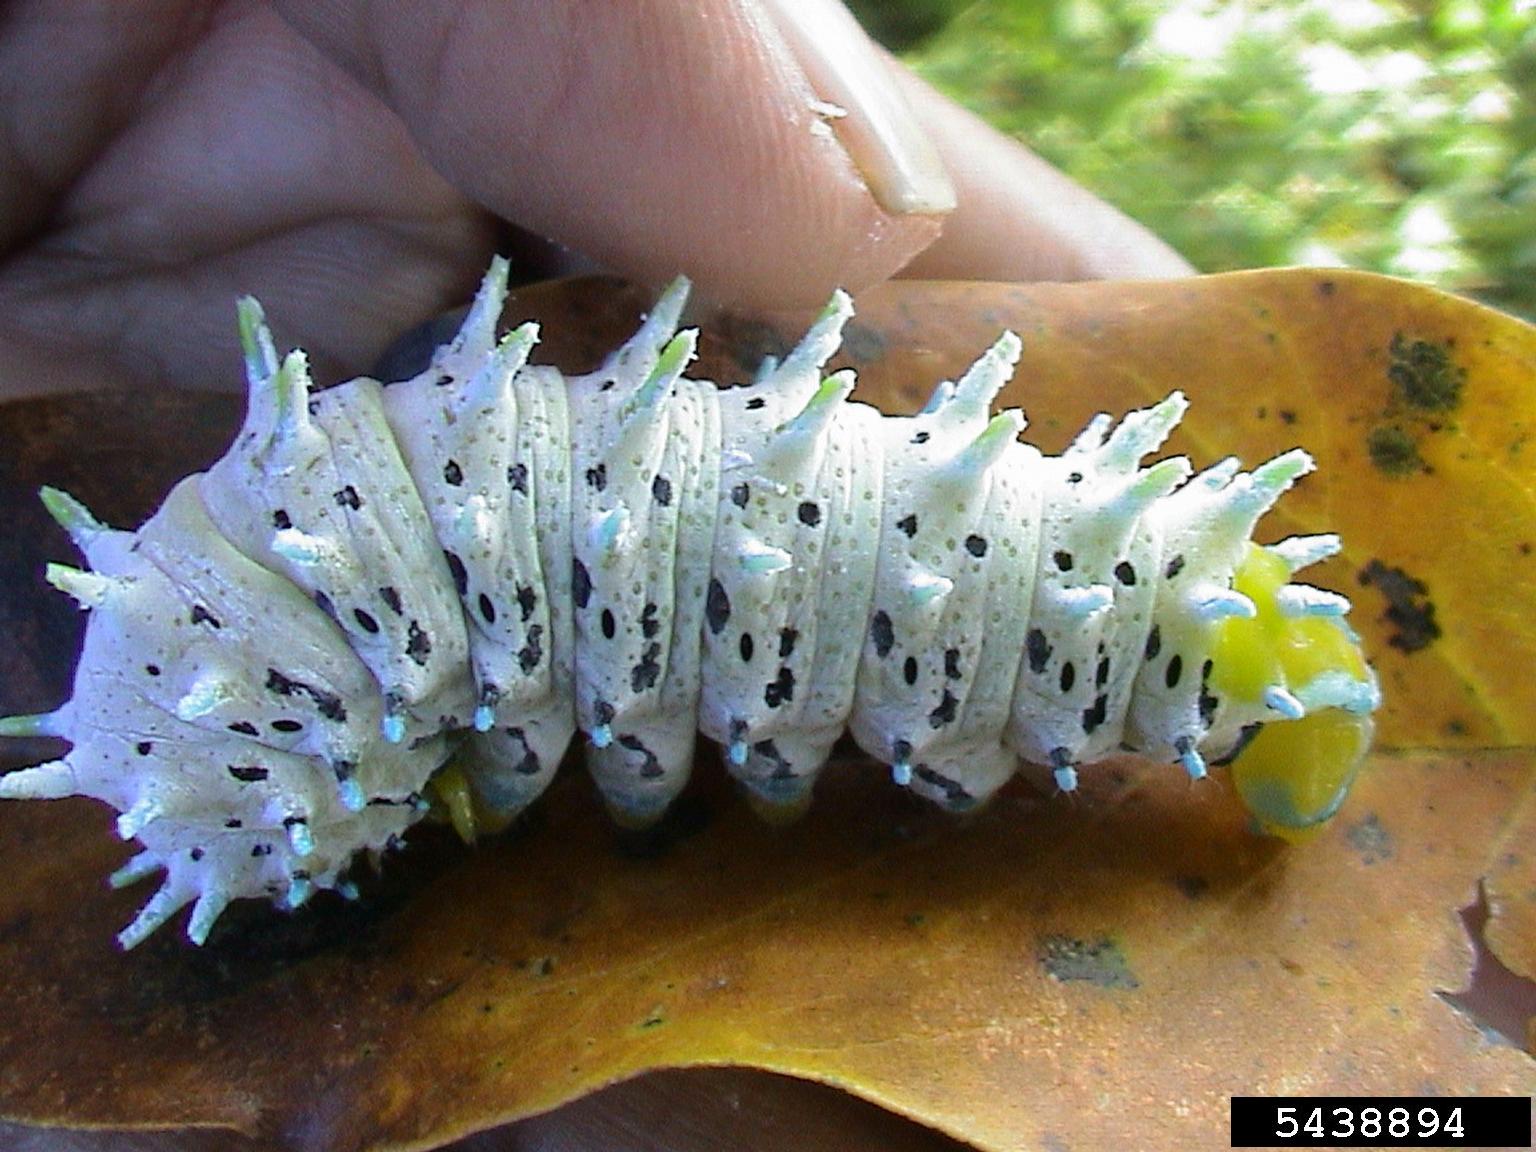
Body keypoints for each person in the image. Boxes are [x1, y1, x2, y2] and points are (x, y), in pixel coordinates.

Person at [0, 2, 1186, 1148]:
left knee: (849, 562)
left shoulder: (329, 545)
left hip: (1063, 599)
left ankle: (1174, 650)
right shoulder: (331, 521)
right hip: (1007, 556)